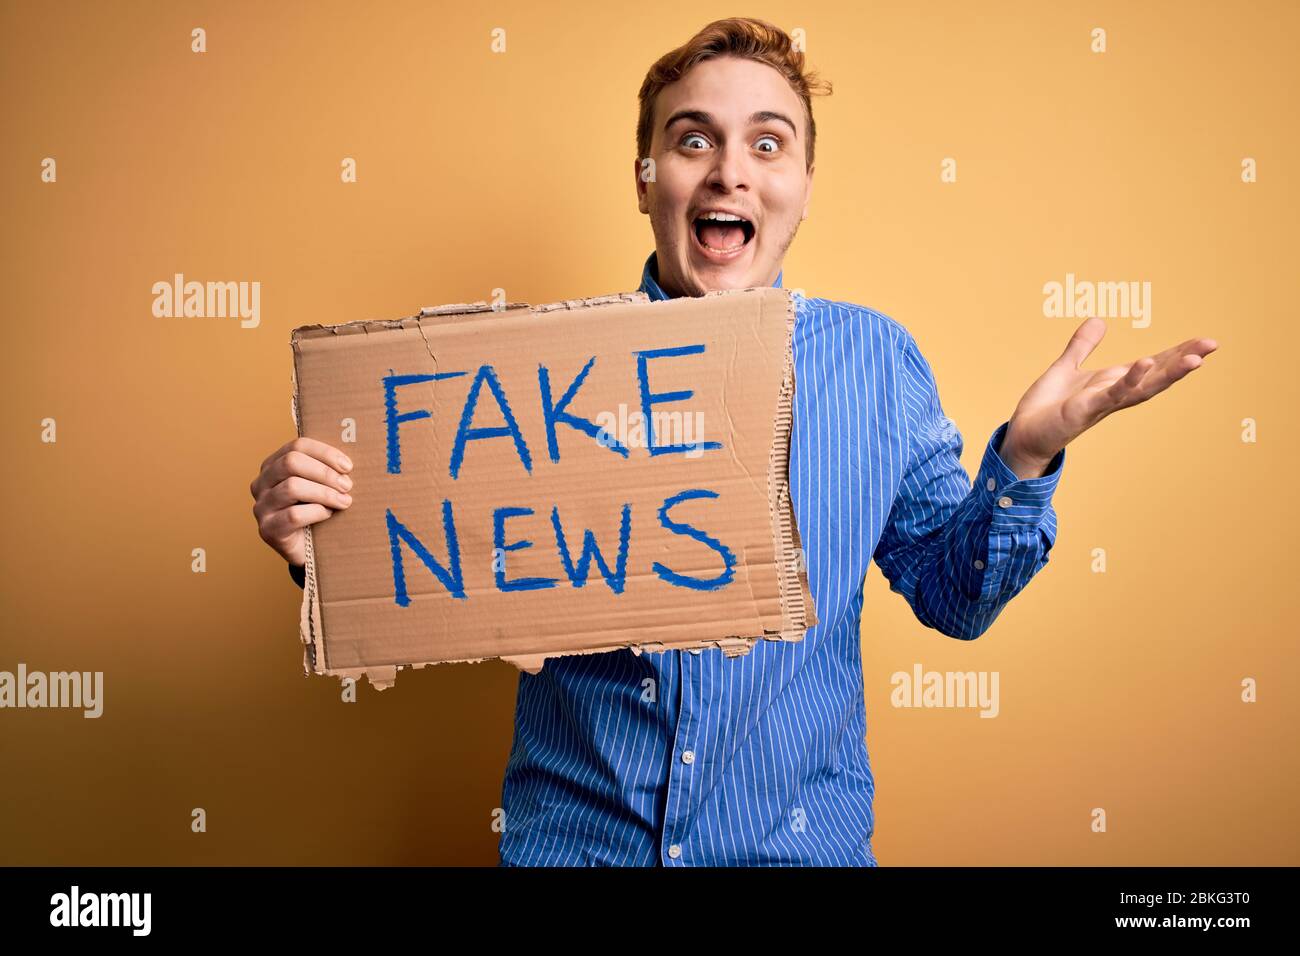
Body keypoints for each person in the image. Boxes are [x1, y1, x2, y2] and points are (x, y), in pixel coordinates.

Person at [249, 17, 1217, 866]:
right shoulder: (524, 385)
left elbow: (954, 600)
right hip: (576, 849)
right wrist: (325, 544)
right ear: (645, 179)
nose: (729, 171)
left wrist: (1026, 459)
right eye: (691, 141)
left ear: (800, 185)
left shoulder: (874, 363)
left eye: (767, 143)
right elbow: (441, 569)